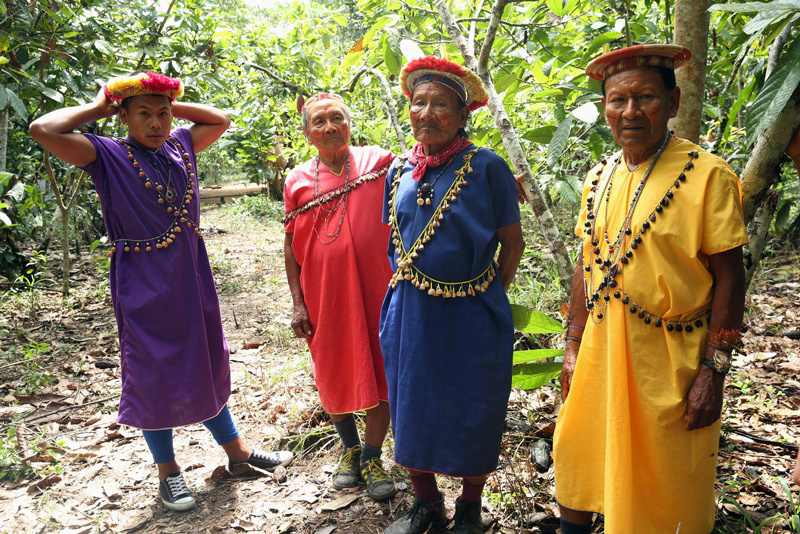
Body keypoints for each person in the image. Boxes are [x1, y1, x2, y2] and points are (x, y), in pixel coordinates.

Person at [29, 71, 292, 512]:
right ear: (124, 118)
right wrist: (100, 107)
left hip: (190, 273)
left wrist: (167, 100)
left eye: (163, 115)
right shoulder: (106, 154)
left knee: (204, 361)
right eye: (144, 115)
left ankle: (238, 456)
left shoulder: (180, 146)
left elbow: (220, 119)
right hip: (143, 280)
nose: (156, 123)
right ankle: (168, 473)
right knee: (155, 371)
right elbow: (43, 129)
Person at [553, 45, 748, 534]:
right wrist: (573, 344)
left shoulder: (708, 176)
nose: (631, 111)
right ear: (605, 110)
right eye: (618, 100)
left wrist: (714, 372)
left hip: (671, 359)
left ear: (675, 101)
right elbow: (587, 261)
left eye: (646, 97)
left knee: (666, 479)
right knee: (579, 454)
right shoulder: (600, 175)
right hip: (599, 349)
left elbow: (730, 277)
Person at [379, 57, 525, 534]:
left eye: (441, 104)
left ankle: (469, 506)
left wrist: (487, 296)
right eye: (419, 103)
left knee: (473, 405)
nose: (427, 113)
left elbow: (512, 242)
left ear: (464, 114)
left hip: (472, 310)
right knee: (409, 402)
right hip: (409, 311)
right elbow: (395, 239)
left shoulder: (487, 167)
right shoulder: (397, 170)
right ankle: (426, 503)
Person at [282, 92, 397, 501]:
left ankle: (372, 454)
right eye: (319, 121)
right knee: (331, 367)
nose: (329, 127)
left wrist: (494, 181)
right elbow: (290, 243)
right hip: (324, 292)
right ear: (306, 132)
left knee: (382, 366)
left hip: (377, 287)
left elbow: (431, 167)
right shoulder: (296, 180)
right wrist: (298, 302)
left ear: (350, 123)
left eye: (337, 118)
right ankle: (348, 449)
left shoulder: (379, 162)